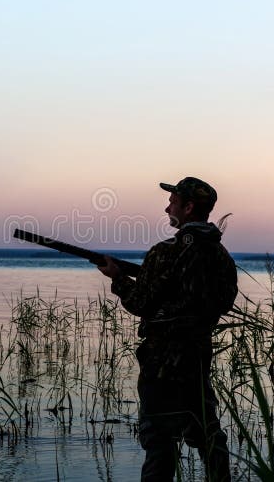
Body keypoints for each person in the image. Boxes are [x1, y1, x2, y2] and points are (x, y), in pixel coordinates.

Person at [97, 177, 237, 481]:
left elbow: (140, 303)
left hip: (161, 363)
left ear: (188, 207)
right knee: (208, 437)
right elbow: (222, 302)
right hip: (197, 358)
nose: (167, 206)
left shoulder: (166, 251)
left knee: (160, 442)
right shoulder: (222, 257)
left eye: (173, 202)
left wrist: (118, 278)